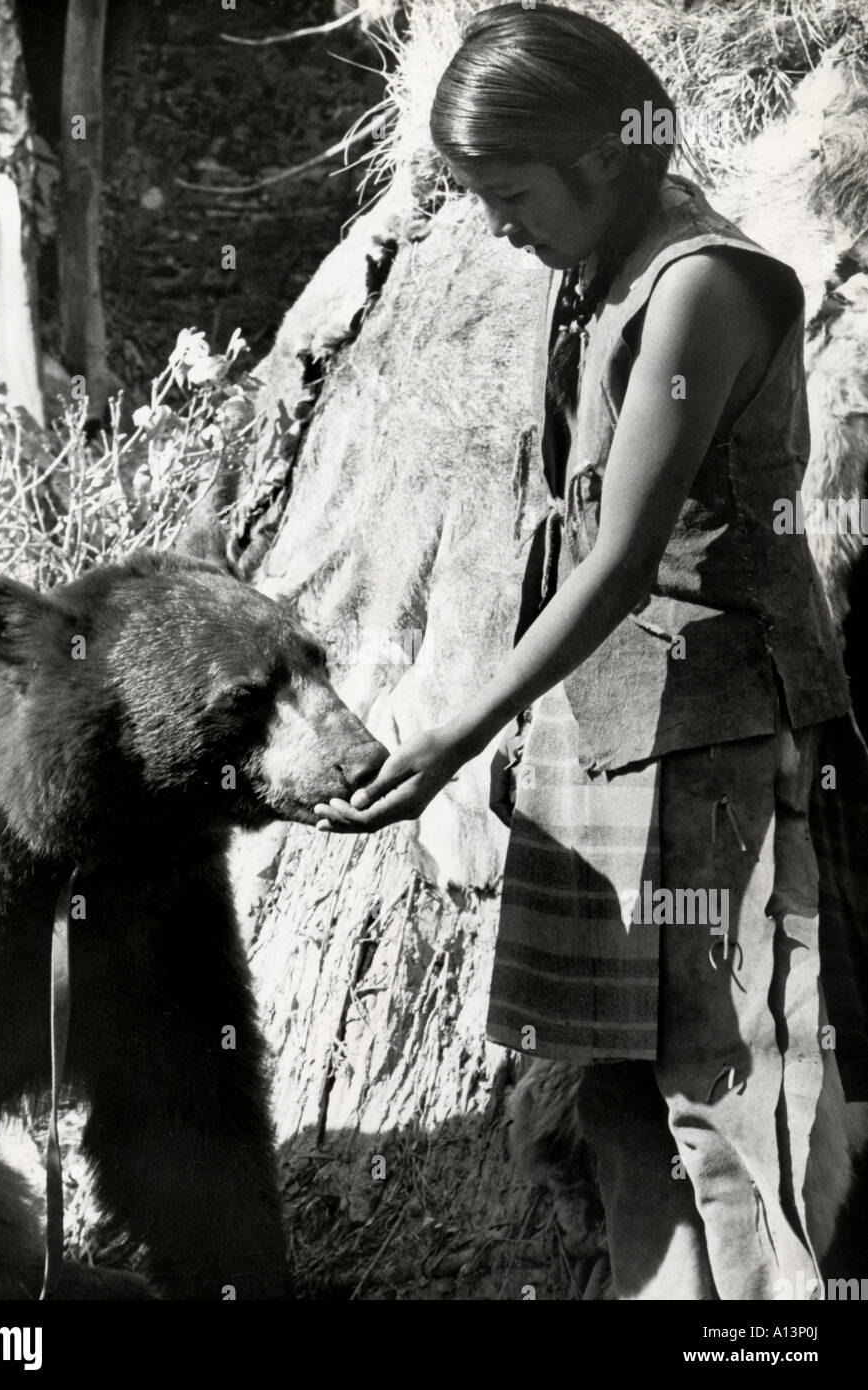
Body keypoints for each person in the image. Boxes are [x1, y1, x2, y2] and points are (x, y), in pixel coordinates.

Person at [313, 2, 862, 1300]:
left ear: (603, 157)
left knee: (741, 1119)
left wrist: (448, 733)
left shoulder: (700, 286)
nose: (499, 228)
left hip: (716, 749)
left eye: (510, 194)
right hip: (598, 748)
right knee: (619, 1114)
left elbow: (621, 562)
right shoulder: (592, 281)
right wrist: (519, 737)